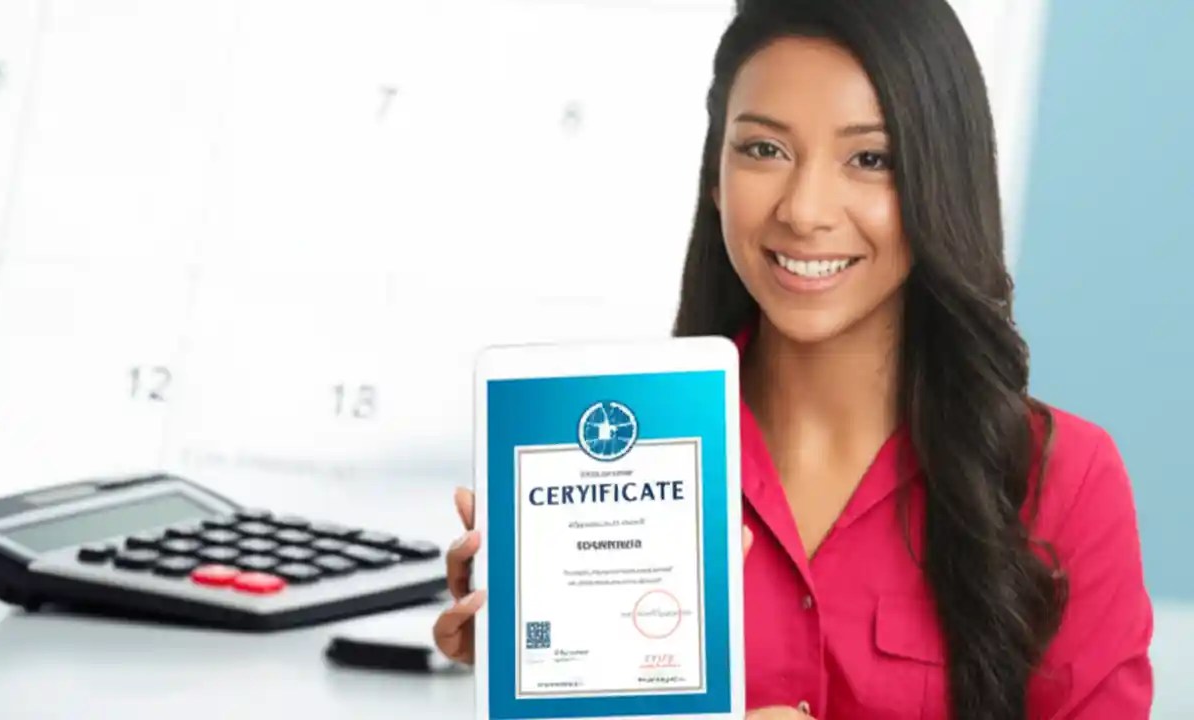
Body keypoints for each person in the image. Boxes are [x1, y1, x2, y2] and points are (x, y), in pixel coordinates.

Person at [432, 0, 1155, 717]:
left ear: (943, 181)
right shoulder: (611, 457)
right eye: (764, 149)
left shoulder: (1063, 481)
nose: (805, 210)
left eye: (870, 159)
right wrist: (524, 683)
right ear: (715, 176)